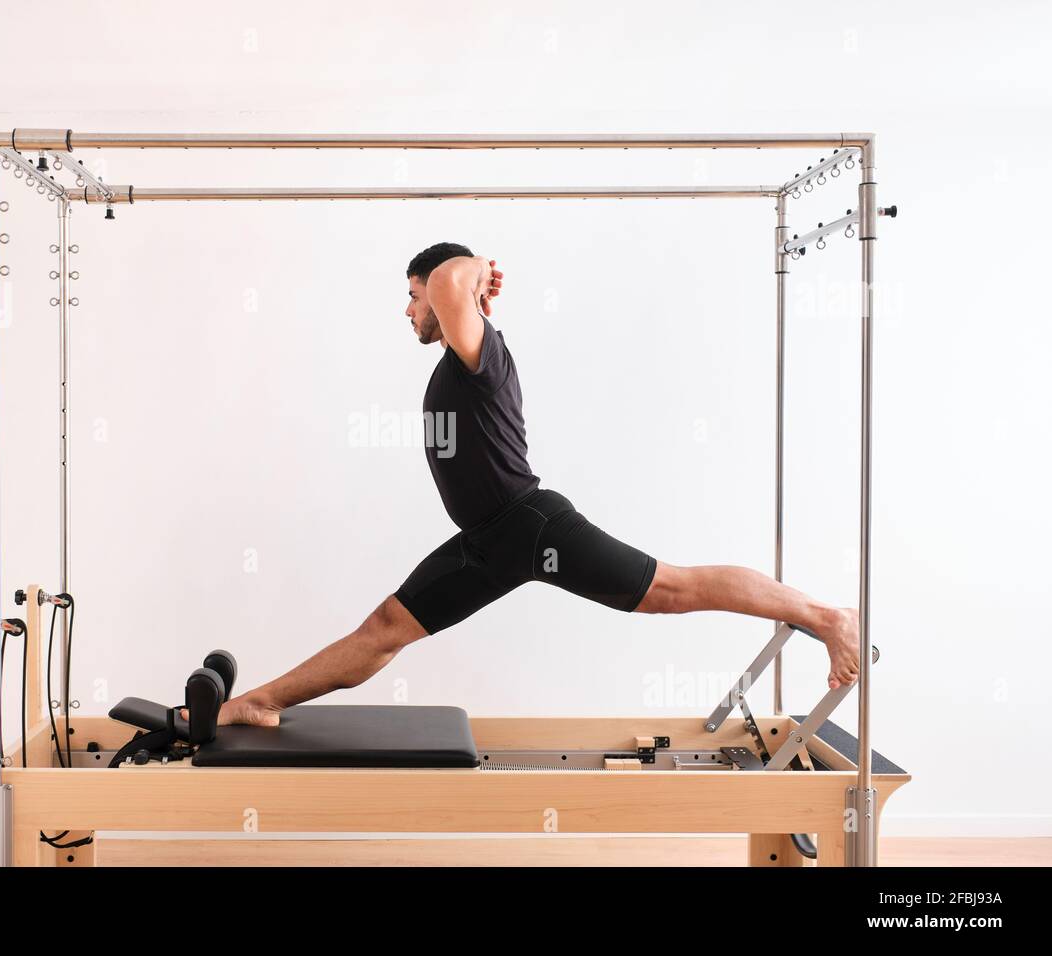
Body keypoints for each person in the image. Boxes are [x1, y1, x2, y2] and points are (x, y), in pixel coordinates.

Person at [191, 242, 860, 729]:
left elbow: (455, 284)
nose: (407, 310)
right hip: (487, 541)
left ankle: (828, 618)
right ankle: (259, 702)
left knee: (672, 590)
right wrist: (467, 281)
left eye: (413, 294)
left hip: (531, 525)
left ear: (444, 294)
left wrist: (474, 270)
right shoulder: (464, 352)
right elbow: (453, 287)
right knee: (387, 627)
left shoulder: (480, 350)